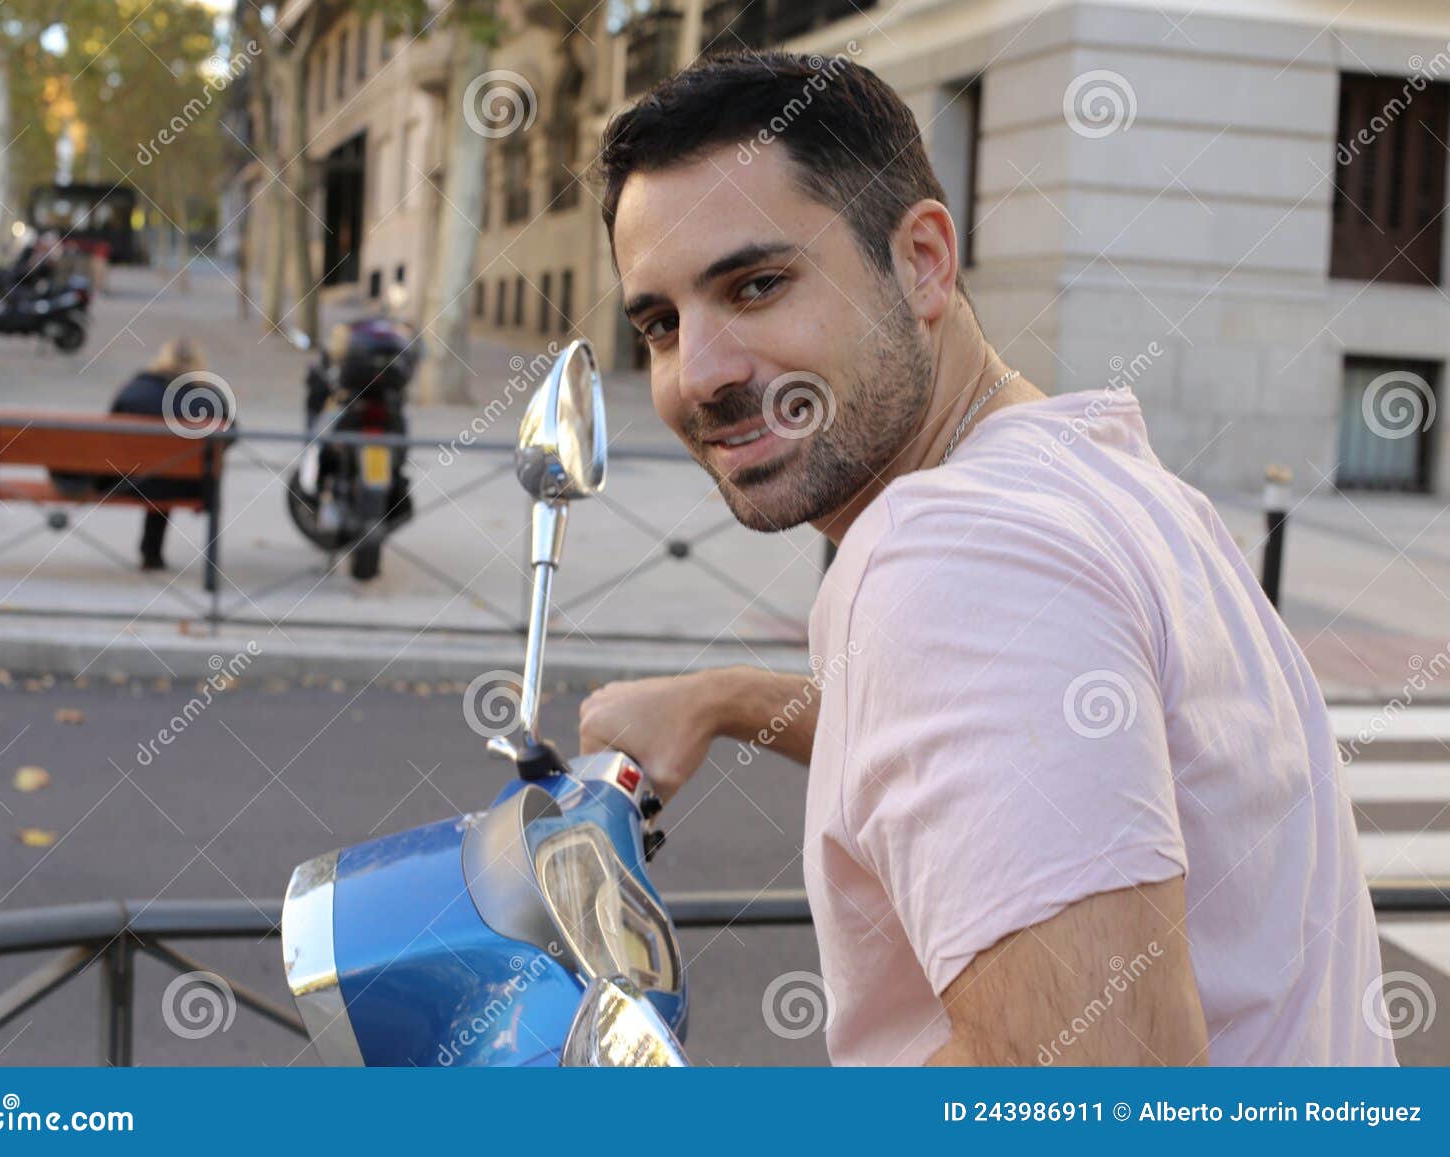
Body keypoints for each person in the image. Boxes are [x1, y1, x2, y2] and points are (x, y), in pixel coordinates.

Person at [578, 52, 1392, 1066]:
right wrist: (731, 697)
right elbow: (1019, 741)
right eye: (658, 323)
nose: (698, 373)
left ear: (921, 259)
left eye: (756, 284)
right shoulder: (1114, 486)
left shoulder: (951, 552)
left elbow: (1101, 1092)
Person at [109, 338, 225, 571]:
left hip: (130, 482)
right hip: (189, 485)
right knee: (167, 472)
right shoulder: (208, 399)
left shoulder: (136, 390)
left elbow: (111, 429)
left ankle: (151, 553)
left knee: (155, 471)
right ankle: (153, 554)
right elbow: (230, 435)